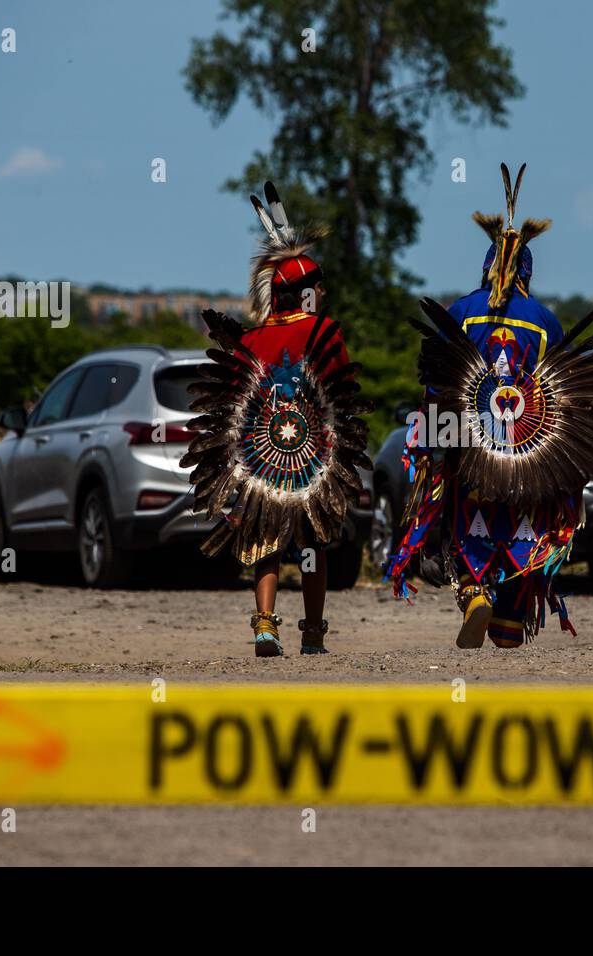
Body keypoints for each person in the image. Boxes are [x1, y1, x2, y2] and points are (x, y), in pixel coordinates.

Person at [386, 163, 593, 648]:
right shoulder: (543, 320)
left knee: (465, 519)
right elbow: (565, 391)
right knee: (521, 523)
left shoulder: (462, 310)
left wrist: (432, 439)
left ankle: (473, 592)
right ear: (527, 273)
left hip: (468, 442)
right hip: (527, 447)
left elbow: (437, 381)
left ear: (488, 267)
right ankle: (510, 616)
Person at [181, 182, 371, 657]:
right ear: (304, 294)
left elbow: (228, 402)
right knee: (313, 543)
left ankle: (265, 626)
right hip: (311, 455)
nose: (323, 294)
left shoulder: (250, 339)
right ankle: (311, 632)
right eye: (318, 288)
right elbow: (343, 393)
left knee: (262, 535)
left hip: (260, 454)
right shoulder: (325, 330)